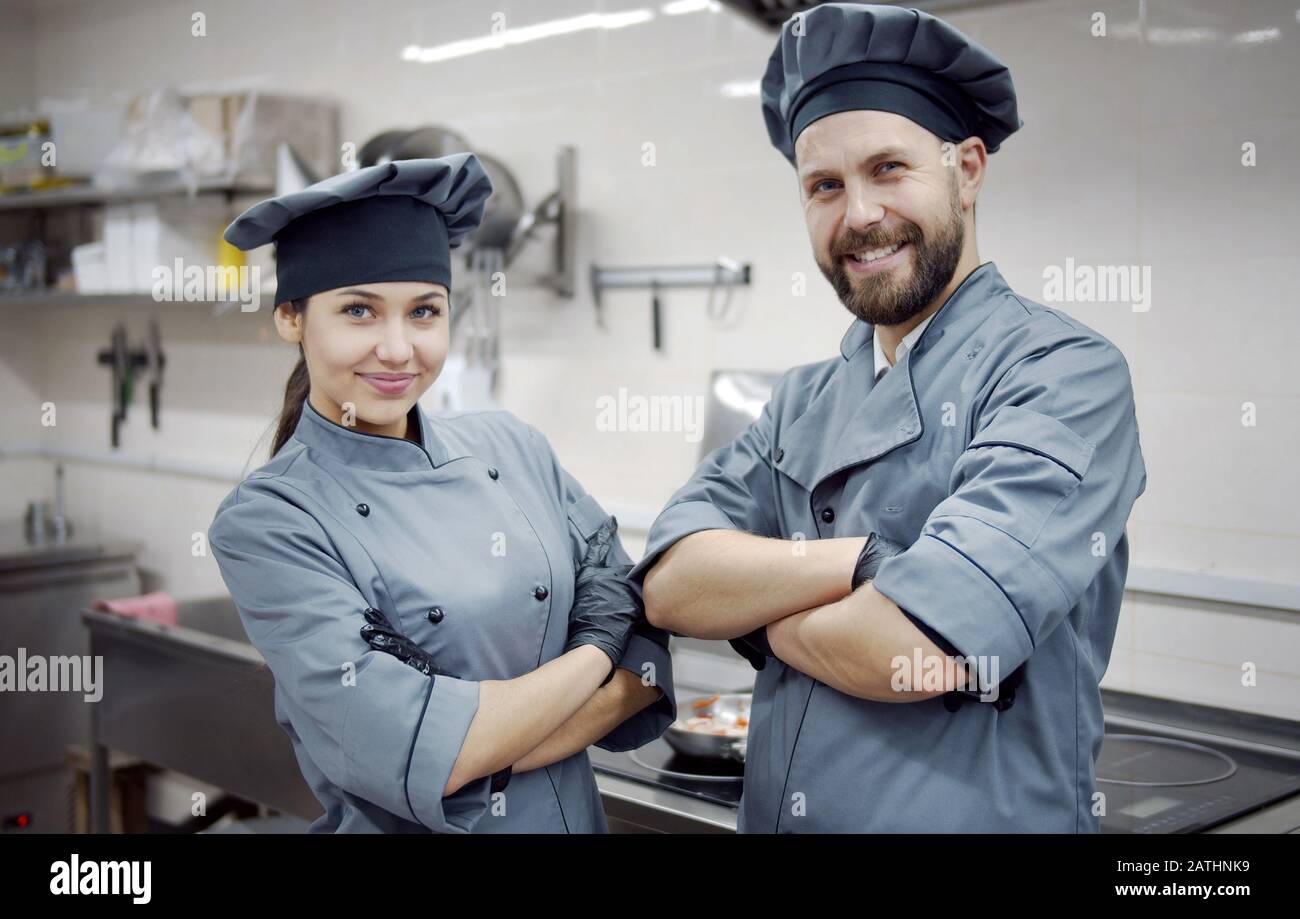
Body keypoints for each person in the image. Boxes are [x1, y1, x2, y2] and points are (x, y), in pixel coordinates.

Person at [632, 3, 1146, 833]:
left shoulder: (1062, 376)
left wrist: (756, 604)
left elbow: (914, 653)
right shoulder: (799, 399)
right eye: (824, 185)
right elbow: (672, 584)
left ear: (968, 169)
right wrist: (870, 566)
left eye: (889, 168)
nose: (860, 214)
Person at [209, 153, 675, 833]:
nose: (398, 349)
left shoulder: (513, 447)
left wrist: (494, 740)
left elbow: (645, 653)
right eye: (360, 311)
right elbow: (433, 750)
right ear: (291, 319)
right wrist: (597, 651)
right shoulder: (270, 520)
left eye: (424, 312)